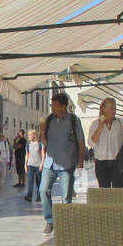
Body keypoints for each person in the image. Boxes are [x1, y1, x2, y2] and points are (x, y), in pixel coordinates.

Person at [39, 92, 85, 235]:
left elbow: (81, 142)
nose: (52, 108)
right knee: (43, 190)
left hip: (66, 163)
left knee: (66, 197)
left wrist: (80, 161)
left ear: (64, 106)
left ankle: (65, 223)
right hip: (50, 163)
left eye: (55, 105)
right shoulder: (48, 120)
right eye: (51, 105)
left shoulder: (73, 120)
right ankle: (50, 220)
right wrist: (41, 133)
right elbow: (45, 142)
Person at [89, 98, 123, 189]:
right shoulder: (95, 124)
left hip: (117, 162)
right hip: (101, 162)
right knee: (104, 193)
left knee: (118, 192)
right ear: (104, 109)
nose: (114, 111)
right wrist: (99, 128)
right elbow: (91, 143)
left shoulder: (120, 123)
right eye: (111, 108)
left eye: (115, 108)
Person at [23, 128, 43, 202]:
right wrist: (25, 164)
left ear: (34, 135)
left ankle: (39, 197)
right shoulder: (28, 144)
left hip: (38, 164)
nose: (28, 136)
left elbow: (42, 154)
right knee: (30, 181)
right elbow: (27, 154)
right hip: (30, 164)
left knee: (38, 181)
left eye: (30, 135)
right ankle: (29, 196)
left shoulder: (40, 144)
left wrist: (42, 164)